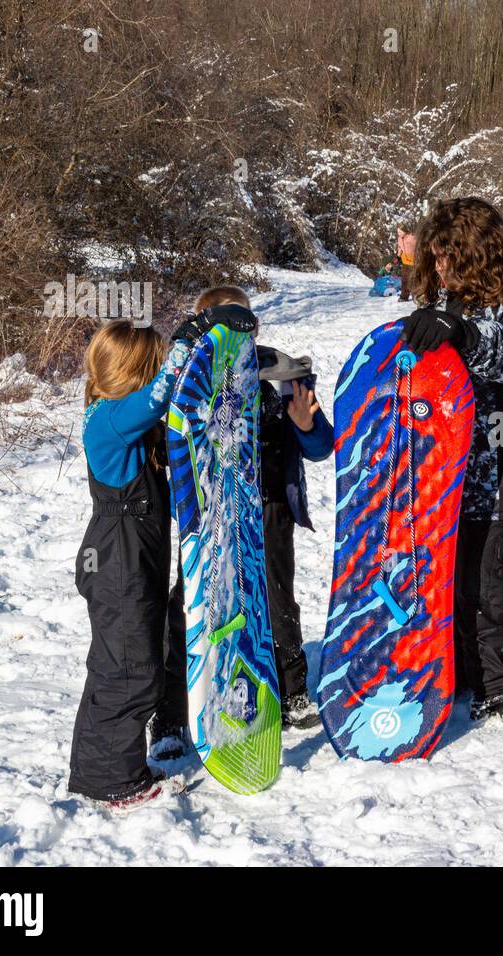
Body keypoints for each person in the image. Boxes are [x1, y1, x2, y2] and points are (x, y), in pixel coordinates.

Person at [151, 286, 333, 758]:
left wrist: (306, 425)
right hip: (208, 511)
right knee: (191, 602)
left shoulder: (279, 373)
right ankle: (171, 715)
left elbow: (320, 446)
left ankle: (290, 690)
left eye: (238, 322)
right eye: (216, 324)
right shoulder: (191, 381)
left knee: (274, 596)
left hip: (268, 506)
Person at [68, 312, 239, 811]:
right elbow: (158, 397)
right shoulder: (109, 419)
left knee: (121, 662)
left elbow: (172, 405)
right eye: (157, 365)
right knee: (128, 669)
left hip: (128, 561)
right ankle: (110, 780)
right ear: (135, 372)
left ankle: (104, 767)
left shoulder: (123, 421)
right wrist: (187, 342)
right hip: (117, 562)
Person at [399, 197, 503, 726]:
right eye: (434, 257)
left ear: (475, 253)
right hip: (449, 476)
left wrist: (462, 335)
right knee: (451, 584)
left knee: (488, 587)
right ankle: (463, 669)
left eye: (448, 256)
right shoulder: (451, 304)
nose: (439, 267)